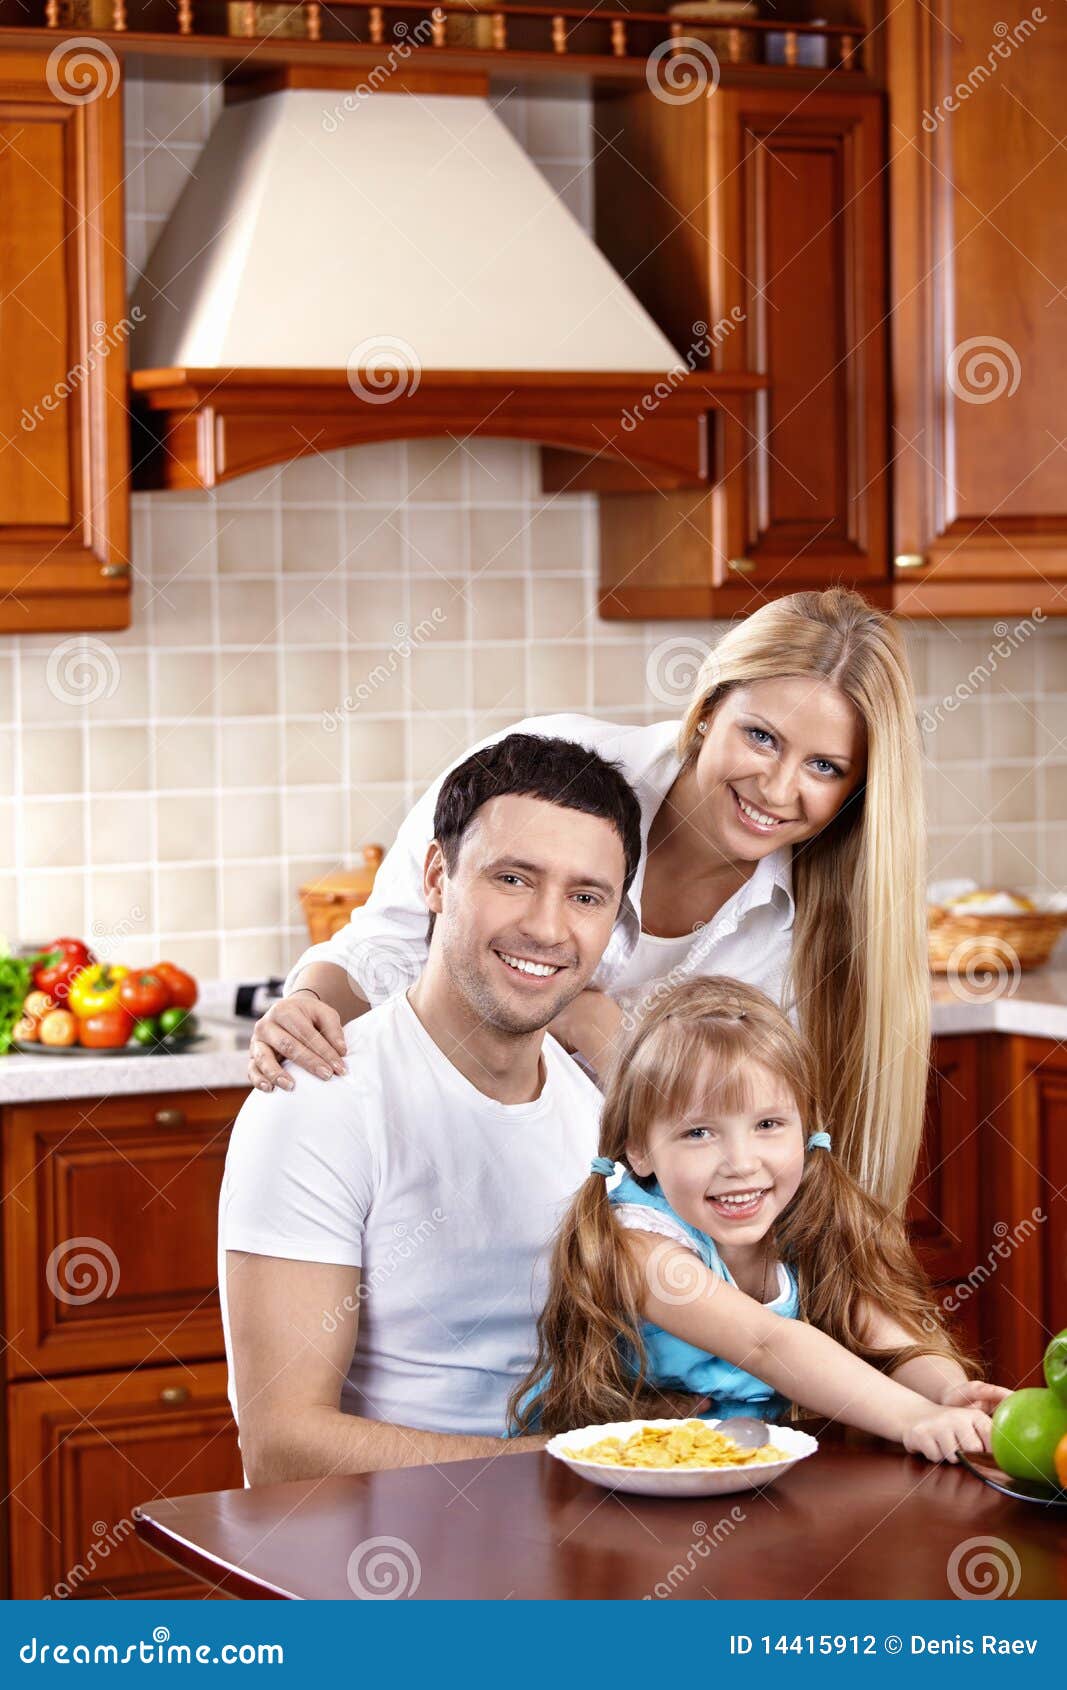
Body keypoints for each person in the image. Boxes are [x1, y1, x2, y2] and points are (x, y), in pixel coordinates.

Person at [249, 588, 928, 1212]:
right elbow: (384, 945)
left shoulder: (824, 920)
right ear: (710, 707)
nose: (777, 789)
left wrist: (608, 1041)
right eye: (761, 736)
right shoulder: (540, 773)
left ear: (856, 790)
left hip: (656, 1228)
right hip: (446, 1166)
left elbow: (744, 1141)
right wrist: (309, 1001)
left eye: (824, 767)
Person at [221, 734, 674, 1482]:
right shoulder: (319, 1101)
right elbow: (281, 1447)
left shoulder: (597, 1109)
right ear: (436, 876)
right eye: (512, 878)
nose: (548, 927)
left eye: (586, 896)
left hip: (571, 1552)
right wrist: (583, 1465)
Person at [510, 977, 1009, 1463]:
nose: (741, 1163)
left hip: (738, 1467)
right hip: (618, 1483)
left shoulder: (810, 1217)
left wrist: (949, 1392)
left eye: (768, 1125)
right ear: (639, 1150)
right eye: (699, 1132)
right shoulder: (639, 1247)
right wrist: (912, 1418)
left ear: (805, 1128)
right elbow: (766, 1342)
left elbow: (888, 1334)